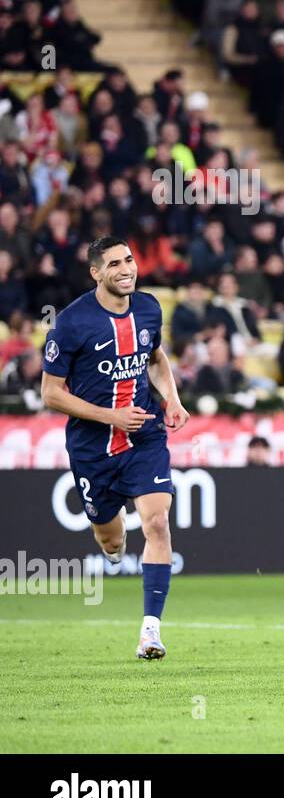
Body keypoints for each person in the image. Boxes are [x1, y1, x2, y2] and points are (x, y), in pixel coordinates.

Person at [40, 236, 189, 659]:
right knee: (110, 539)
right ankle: (113, 543)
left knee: (157, 523)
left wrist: (172, 399)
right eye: (115, 264)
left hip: (143, 434)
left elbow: (155, 358)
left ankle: (150, 631)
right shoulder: (71, 322)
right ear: (96, 272)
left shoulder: (149, 308)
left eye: (129, 260)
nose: (126, 269)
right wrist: (111, 417)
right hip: (93, 447)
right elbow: (51, 394)